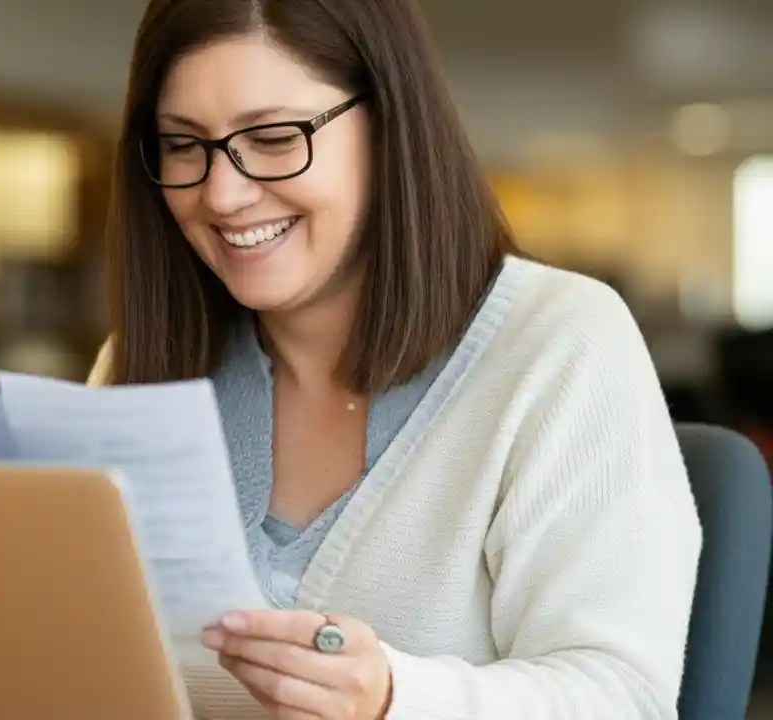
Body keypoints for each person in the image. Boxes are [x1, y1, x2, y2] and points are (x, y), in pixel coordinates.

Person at [86, 1, 703, 718]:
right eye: (184, 145)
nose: (222, 194)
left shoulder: (559, 341)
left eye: (275, 138)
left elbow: (623, 698)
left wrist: (390, 699)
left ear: (389, 124)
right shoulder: (139, 366)